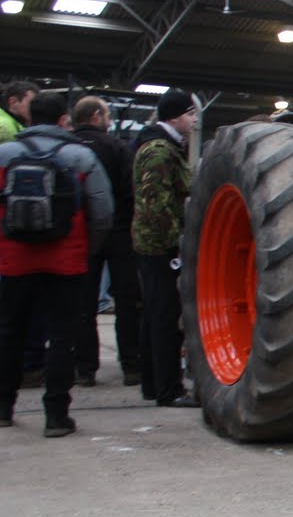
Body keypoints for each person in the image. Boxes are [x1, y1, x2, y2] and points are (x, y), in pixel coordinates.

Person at [0, 95, 113, 436]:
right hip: (66, 261)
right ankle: (56, 416)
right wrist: (87, 250)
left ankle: (4, 408)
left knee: (8, 333)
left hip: (13, 259)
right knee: (62, 337)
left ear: (30, 117)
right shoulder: (81, 156)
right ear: (64, 120)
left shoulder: (5, 154)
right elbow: (103, 211)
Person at [132, 88, 198, 408]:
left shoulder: (164, 146)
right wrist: (175, 244)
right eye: (190, 114)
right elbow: (156, 205)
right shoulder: (160, 151)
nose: (194, 120)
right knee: (164, 317)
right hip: (159, 248)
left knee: (154, 316)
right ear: (174, 116)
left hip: (153, 244)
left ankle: (152, 383)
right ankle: (168, 389)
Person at [72, 96, 142, 387]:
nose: (110, 120)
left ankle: (85, 369)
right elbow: (131, 189)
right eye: (107, 114)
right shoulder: (117, 147)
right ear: (97, 116)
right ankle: (131, 366)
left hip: (80, 235)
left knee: (82, 303)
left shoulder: (69, 147)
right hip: (118, 233)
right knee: (127, 301)